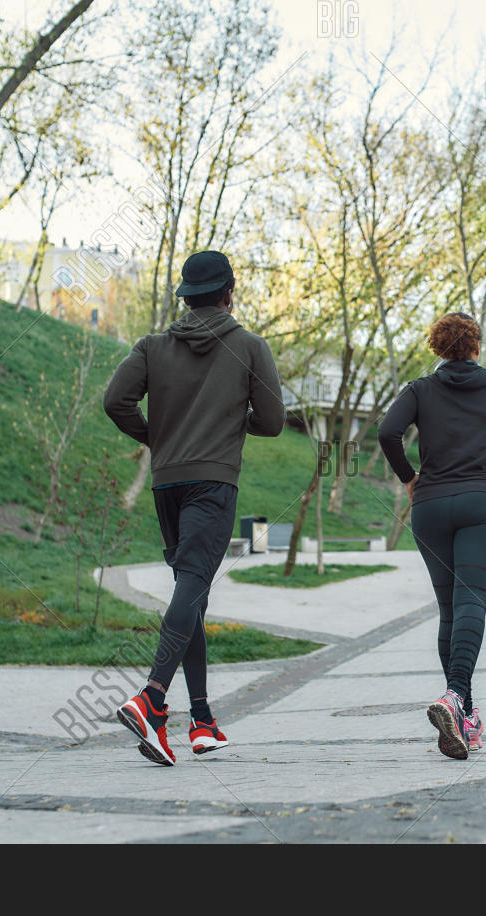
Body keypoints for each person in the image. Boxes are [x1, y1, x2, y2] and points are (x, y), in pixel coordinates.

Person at [103, 250, 284, 765]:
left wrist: (158, 438)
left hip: (167, 484)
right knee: (193, 587)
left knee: (192, 590)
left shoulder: (152, 346)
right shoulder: (250, 346)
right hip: (213, 484)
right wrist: (230, 419)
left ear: (186, 297)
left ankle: (202, 720)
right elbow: (272, 421)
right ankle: (153, 699)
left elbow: (115, 402)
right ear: (230, 292)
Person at [377, 312, 486, 759]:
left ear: (437, 349)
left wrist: (410, 476)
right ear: (477, 346)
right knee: (471, 604)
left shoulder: (420, 389)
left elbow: (388, 432)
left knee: (450, 609)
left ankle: (464, 716)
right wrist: (483, 460)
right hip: (483, 506)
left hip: (430, 507)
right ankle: (455, 699)